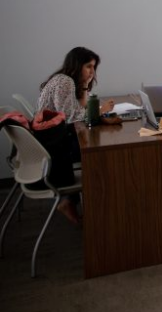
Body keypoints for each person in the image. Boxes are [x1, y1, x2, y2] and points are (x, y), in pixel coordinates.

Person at [36, 46, 113, 225]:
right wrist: (100, 111)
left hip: (52, 139)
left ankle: (73, 201)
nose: (92, 71)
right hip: (53, 144)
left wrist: (85, 85)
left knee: (91, 146)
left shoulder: (67, 80)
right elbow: (71, 116)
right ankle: (77, 202)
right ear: (76, 65)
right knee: (95, 152)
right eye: (88, 67)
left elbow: (79, 109)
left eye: (94, 67)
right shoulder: (65, 82)